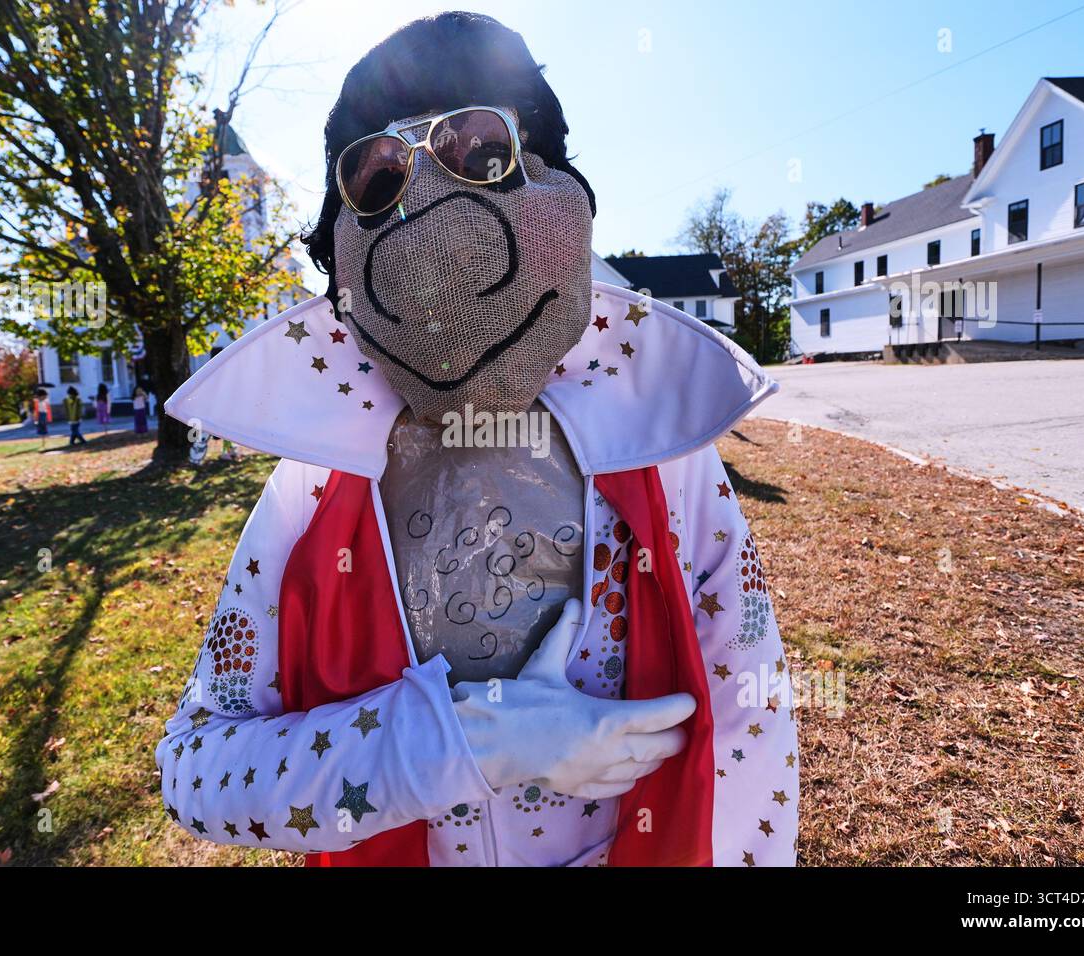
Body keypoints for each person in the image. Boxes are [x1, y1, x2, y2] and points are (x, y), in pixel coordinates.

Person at [155, 12, 797, 868]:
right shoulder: (318, 487)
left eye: (479, 148)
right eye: (377, 176)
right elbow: (196, 767)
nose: (431, 211)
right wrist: (457, 744)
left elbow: (751, 728)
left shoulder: (657, 450)